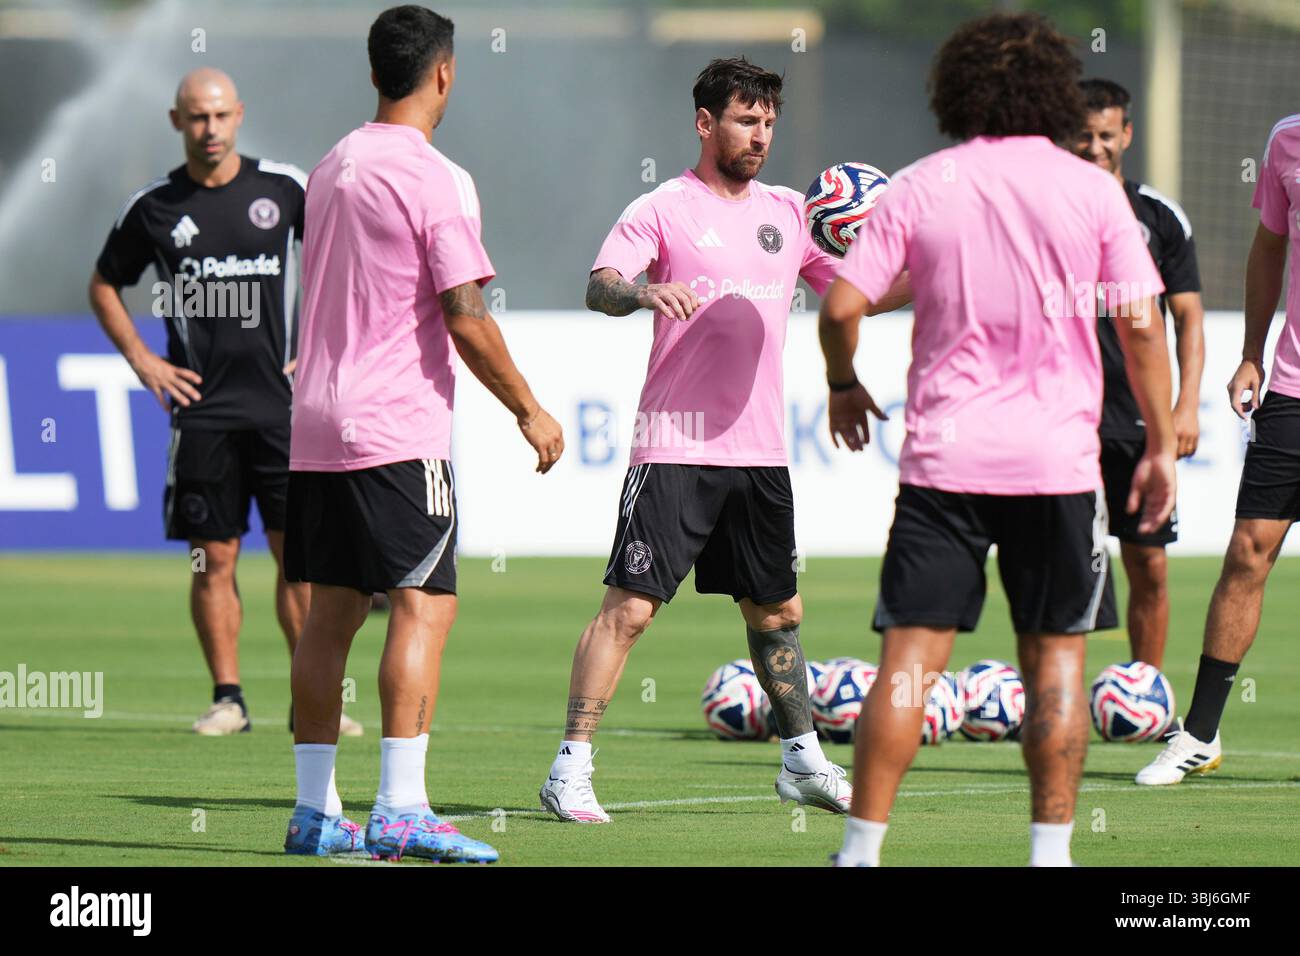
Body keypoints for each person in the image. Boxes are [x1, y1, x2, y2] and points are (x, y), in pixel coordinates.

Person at [819, 13, 1174, 866]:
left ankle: (861, 852)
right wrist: (1161, 443)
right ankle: (1050, 854)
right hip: (1057, 465)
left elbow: (839, 307)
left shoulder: (921, 183)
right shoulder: (1094, 192)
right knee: (1054, 660)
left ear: (957, 91)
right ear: (1053, 93)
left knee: (909, 664)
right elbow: (1143, 328)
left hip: (946, 463)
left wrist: (842, 383)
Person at [538, 56, 907, 825]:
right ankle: (569, 768)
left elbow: (853, 296)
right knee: (630, 610)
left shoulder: (788, 211)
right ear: (705, 123)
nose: (760, 134)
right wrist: (643, 290)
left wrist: (935, 270)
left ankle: (802, 761)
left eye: (769, 121)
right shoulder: (663, 208)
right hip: (675, 446)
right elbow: (599, 283)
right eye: (745, 119)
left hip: (760, 452)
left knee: (777, 614)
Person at [281, 5, 563, 861]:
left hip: (316, 425)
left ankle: (315, 814)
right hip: (397, 428)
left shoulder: (329, 167)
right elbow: (465, 313)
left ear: (376, 74)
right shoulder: (436, 176)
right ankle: (401, 807)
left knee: (330, 614)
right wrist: (528, 406)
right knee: (425, 602)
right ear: (443, 73)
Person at [89, 67, 361, 738]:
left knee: (296, 557)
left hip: (287, 411)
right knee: (214, 558)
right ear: (177, 122)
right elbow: (103, 284)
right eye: (196, 118)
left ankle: (313, 699)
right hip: (202, 413)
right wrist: (143, 360)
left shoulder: (286, 189)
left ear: (239, 114)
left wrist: (324, 343)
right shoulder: (153, 207)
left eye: (219, 115)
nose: (210, 129)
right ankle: (229, 699)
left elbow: (347, 260)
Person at [1136, 111, 1299, 786]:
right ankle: (1198, 734)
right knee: (1247, 551)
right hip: (1293, 387)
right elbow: (1269, 248)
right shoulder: (1287, 139)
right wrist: (1252, 355)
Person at [1076, 78, 1206, 670]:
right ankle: (1063, 704)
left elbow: (1188, 318)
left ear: (1127, 133)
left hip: (1137, 419)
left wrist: (1184, 407)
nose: (1096, 146)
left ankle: (1146, 693)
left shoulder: (1158, 216)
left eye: (1107, 134)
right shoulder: (1046, 213)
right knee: (1067, 567)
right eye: (1084, 134)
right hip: (1068, 420)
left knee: (1148, 563)